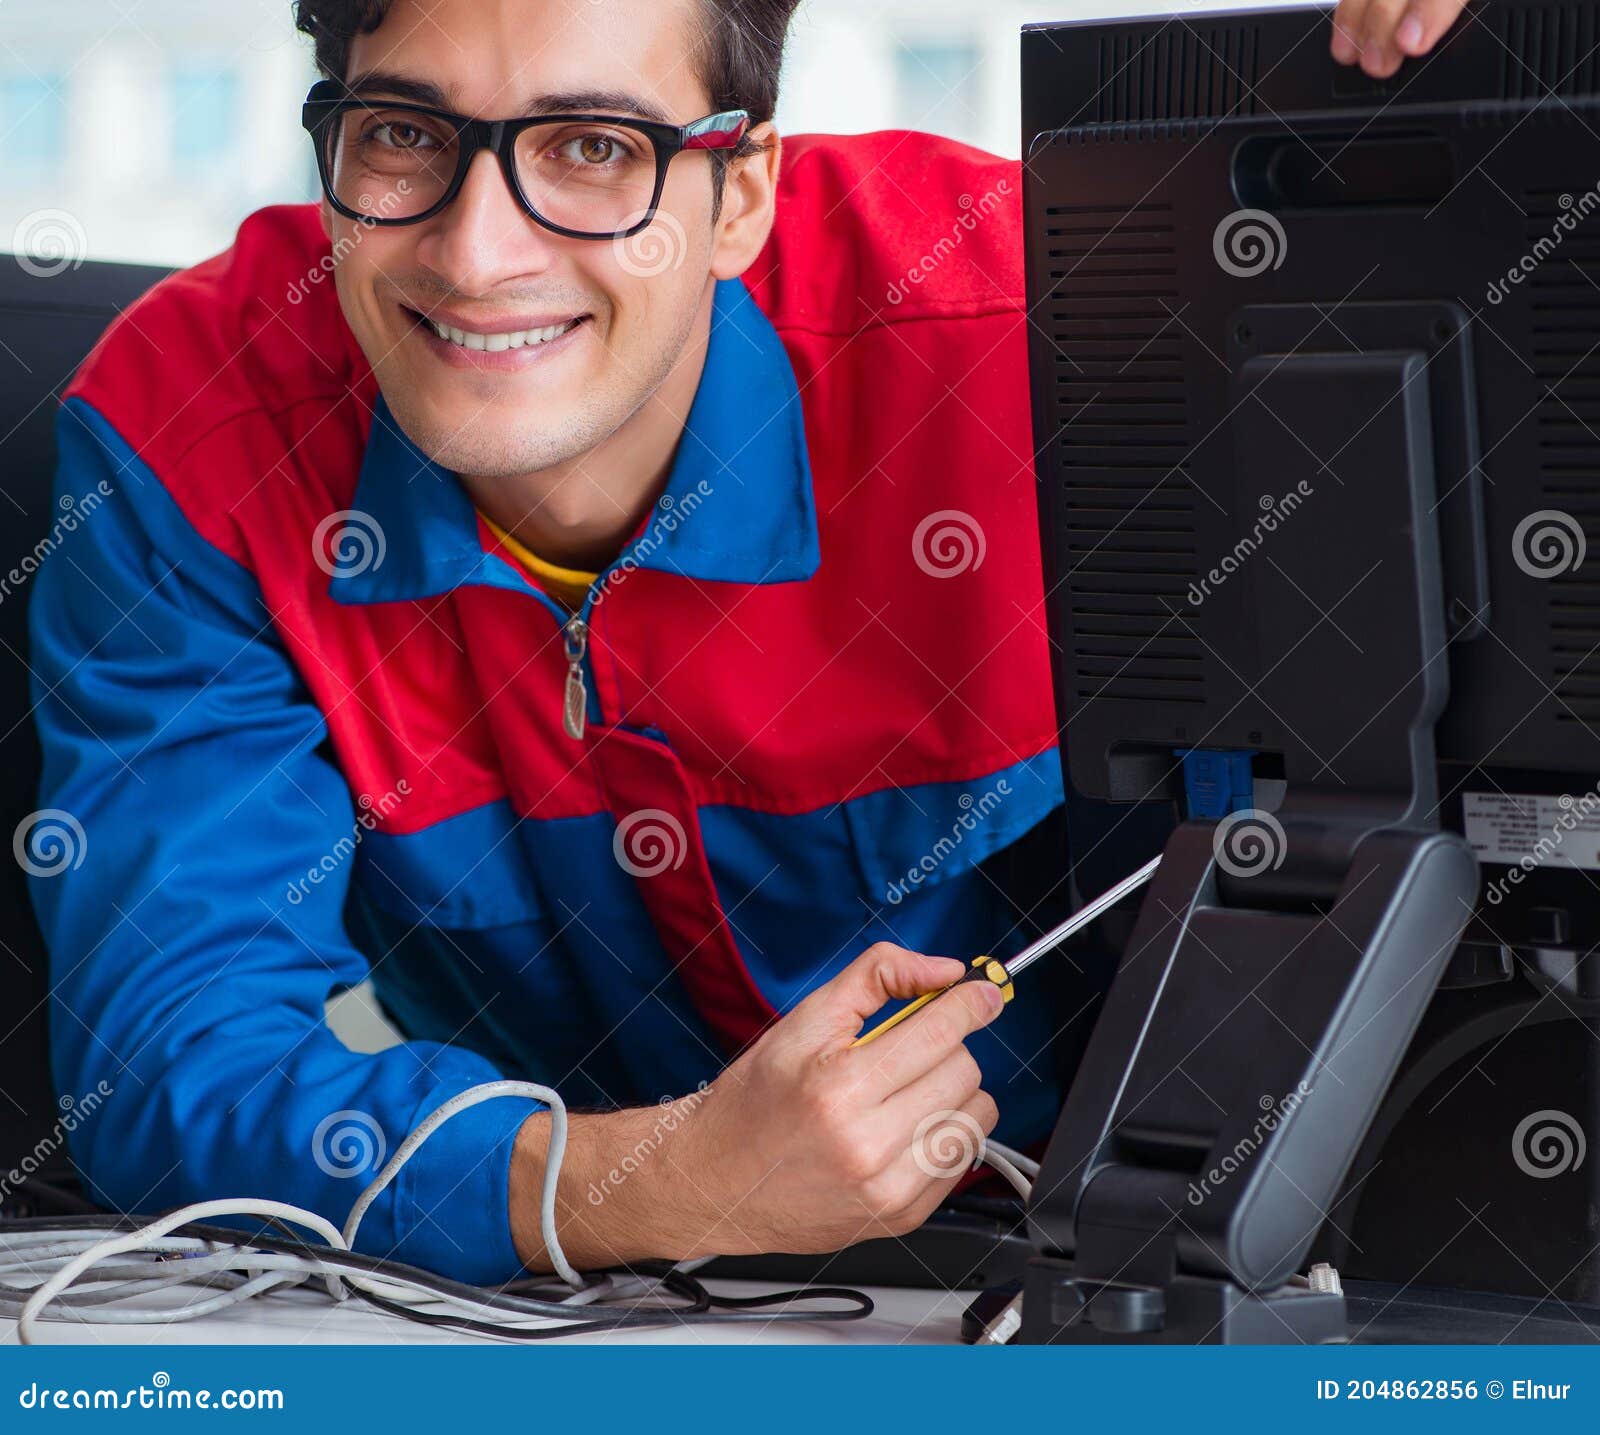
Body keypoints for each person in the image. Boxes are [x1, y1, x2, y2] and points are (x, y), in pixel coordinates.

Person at [27, 0, 1470, 1284]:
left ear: (741, 196)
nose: (475, 253)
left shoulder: (1074, 319)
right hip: (602, 1311)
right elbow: (171, 1063)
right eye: (405, 135)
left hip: (1165, 1295)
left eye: (593, 148)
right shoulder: (186, 430)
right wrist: (655, 1181)